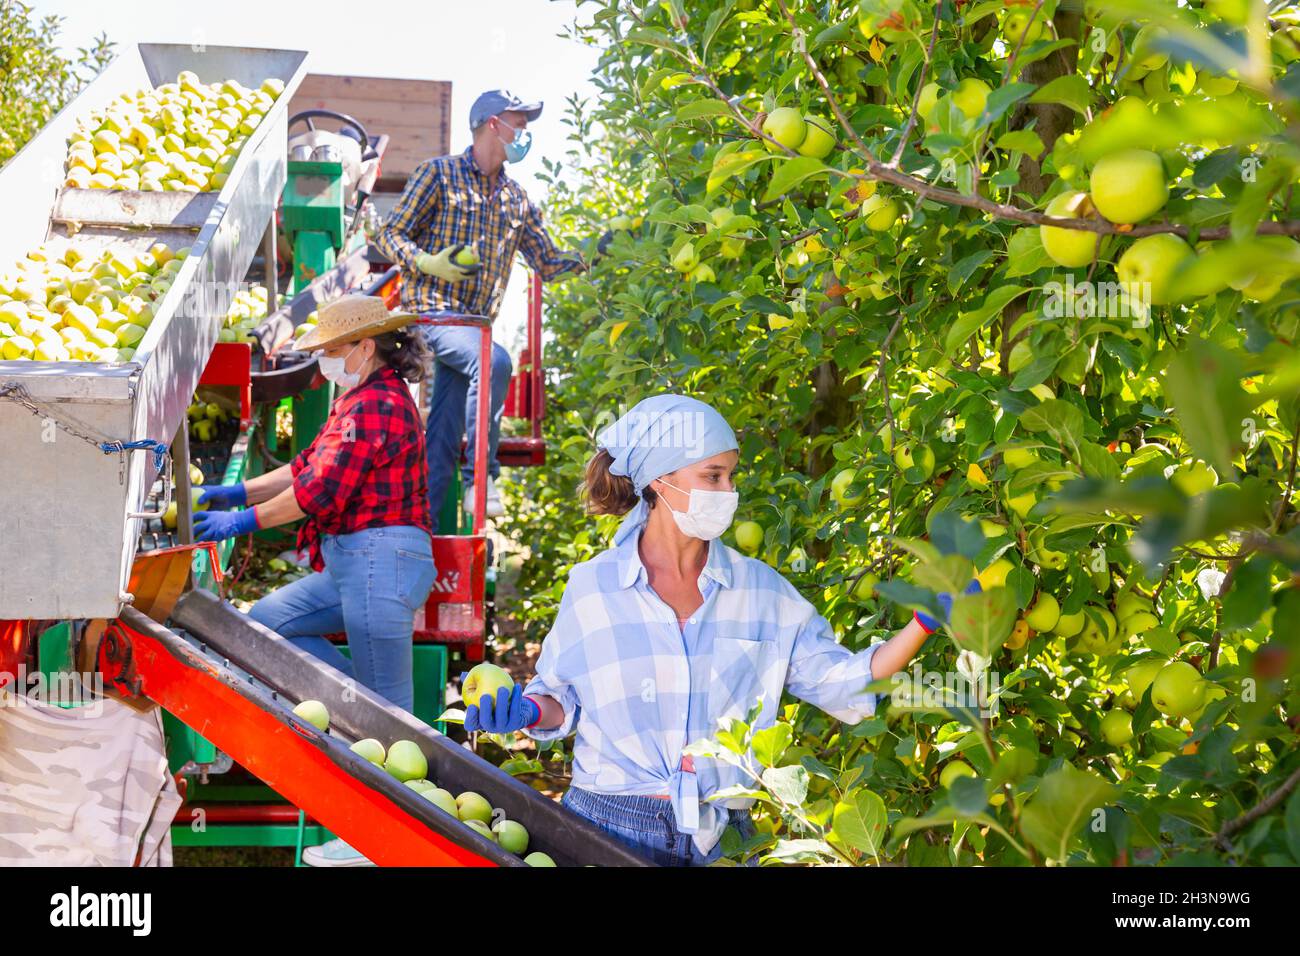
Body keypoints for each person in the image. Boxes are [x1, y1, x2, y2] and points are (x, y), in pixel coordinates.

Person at [460, 394, 978, 866]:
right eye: (713, 476)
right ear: (660, 483)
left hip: (727, 838)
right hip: (608, 826)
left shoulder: (762, 593)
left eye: (731, 476)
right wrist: (527, 709)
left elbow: (844, 683)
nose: (728, 491)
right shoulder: (594, 587)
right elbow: (561, 698)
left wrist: (923, 622)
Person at [193, 295, 437, 868]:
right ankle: (375, 714)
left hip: (381, 557)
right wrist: (239, 490)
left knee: (388, 717)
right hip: (355, 561)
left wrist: (242, 521)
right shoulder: (358, 400)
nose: (324, 360)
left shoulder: (378, 404)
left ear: (364, 346)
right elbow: (306, 465)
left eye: (329, 350)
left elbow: (316, 493)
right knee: (267, 628)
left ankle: (379, 840)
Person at [374, 88, 585, 522]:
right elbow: (389, 235)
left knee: (443, 436)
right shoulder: (438, 174)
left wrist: (594, 255)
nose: (524, 134)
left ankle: (423, 535)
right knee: (494, 363)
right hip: (430, 316)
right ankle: (480, 481)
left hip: (474, 325)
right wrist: (429, 261)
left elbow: (546, 261)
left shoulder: (516, 199)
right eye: (519, 124)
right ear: (494, 124)